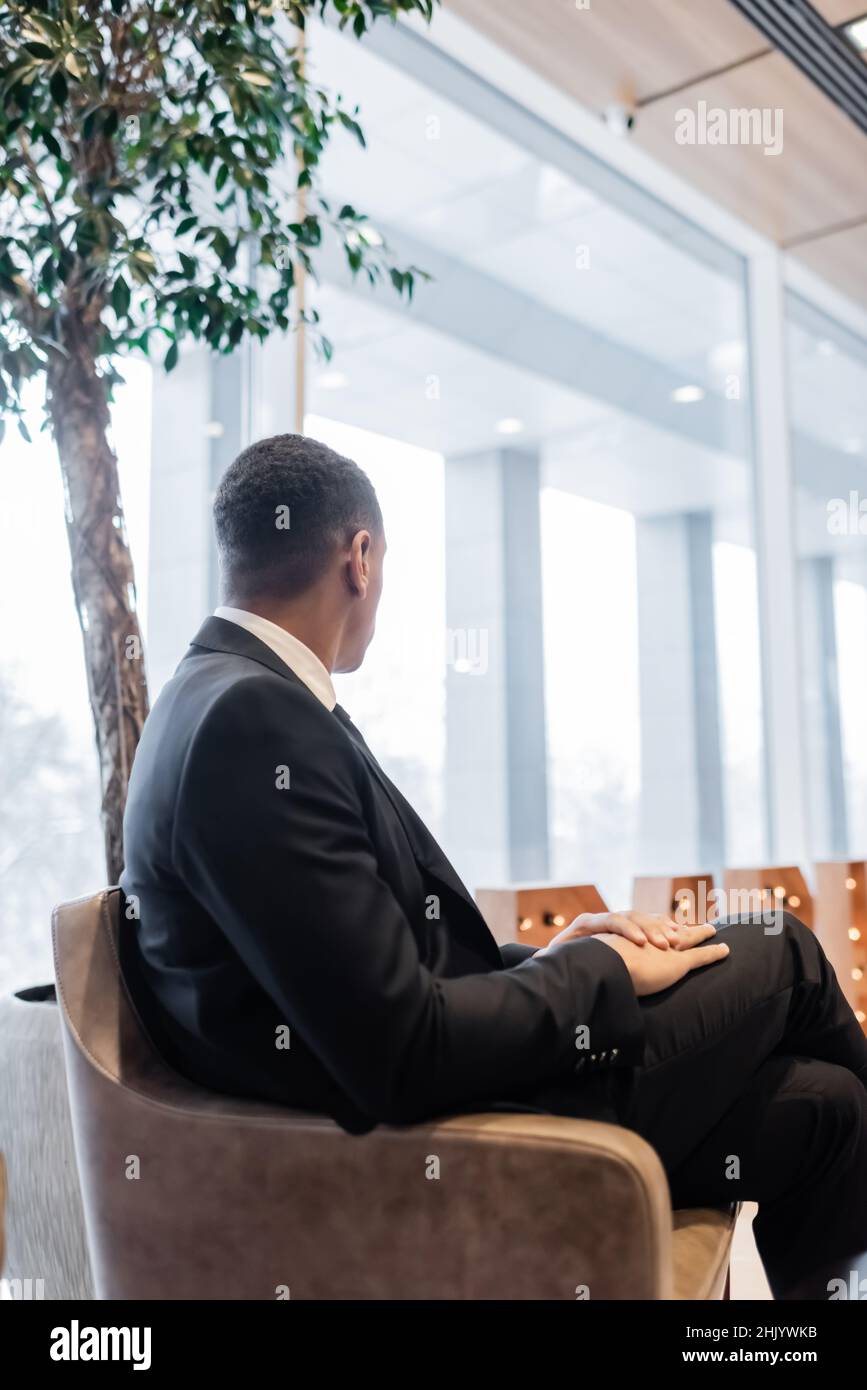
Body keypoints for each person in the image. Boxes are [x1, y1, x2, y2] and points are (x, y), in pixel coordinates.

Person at [120, 433, 867, 1300]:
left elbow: (373, 973)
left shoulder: (214, 700)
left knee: (828, 1109)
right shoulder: (254, 722)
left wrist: (556, 955)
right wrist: (600, 970)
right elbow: (401, 1047)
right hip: (449, 1133)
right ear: (359, 558)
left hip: (433, 1099)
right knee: (784, 950)